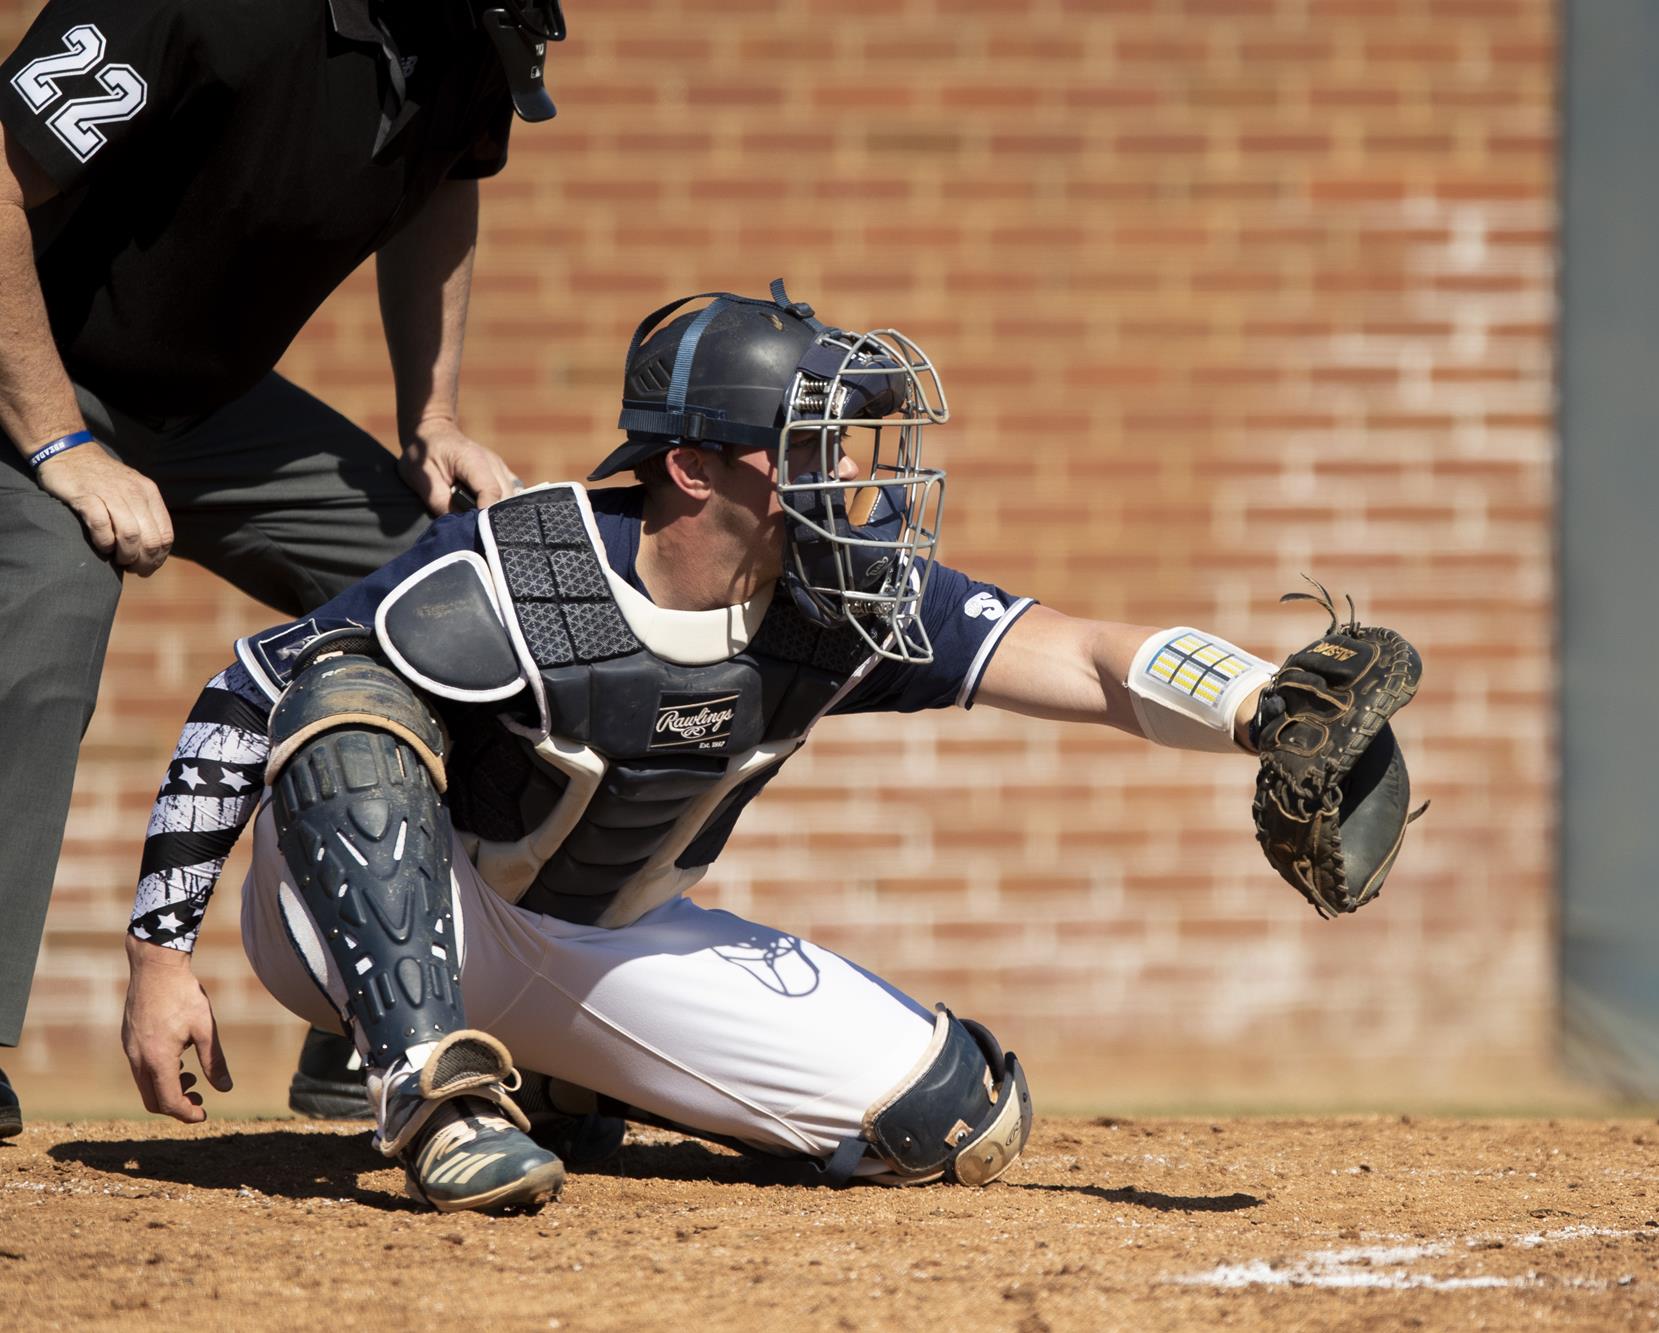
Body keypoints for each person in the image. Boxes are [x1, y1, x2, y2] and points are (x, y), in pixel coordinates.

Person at [118, 282, 1425, 1212]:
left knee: (952, 1118)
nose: (850, 481)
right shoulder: (522, 570)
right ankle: (424, 1087)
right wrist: (156, 957)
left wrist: (1269, 706)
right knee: (353, 688)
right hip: (378, 905)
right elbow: (253, 691)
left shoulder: (830, 603)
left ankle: (563, 1078)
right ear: (693, 472)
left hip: (592, 932)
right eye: (807, 448)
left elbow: (1081, 653)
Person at [0, 0, 568, 1138]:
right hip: (31, 378)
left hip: (205, 404)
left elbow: (444, 188)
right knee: (47, 617)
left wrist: (434, 412)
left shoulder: (474, 35)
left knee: (468, 607)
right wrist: (62, 441)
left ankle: (380, 1012)